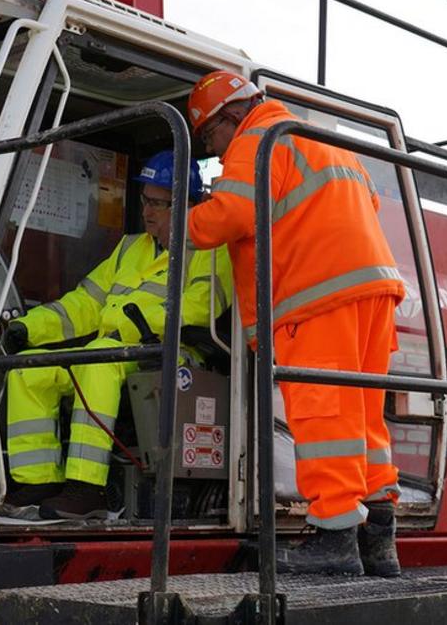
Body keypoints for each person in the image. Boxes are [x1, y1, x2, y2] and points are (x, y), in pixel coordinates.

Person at [185, 70, 405, 577]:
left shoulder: (257, 136)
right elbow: (364, 206)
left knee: (324, 418)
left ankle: (334, 539)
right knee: (364, 420)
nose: (217, 153)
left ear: (231, 117)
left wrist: (184, 225)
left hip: (317, 299)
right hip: (372, 291)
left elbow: (233, 212)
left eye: (211, 138)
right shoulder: (321, 141)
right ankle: (379, 543)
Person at [0, 150, 233, 521]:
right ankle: (37, 482)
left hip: (176, 353)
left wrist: (138, 322)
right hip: (117, 350)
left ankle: (87, 488)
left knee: (99, 361)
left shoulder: (211, 249)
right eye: (145, 200)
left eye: (159, 203)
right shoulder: (129, 248)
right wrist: (31, 326)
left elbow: (202, 306)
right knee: (29, 370)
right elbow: (86, 303)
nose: (148, 211)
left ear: (188, 203)